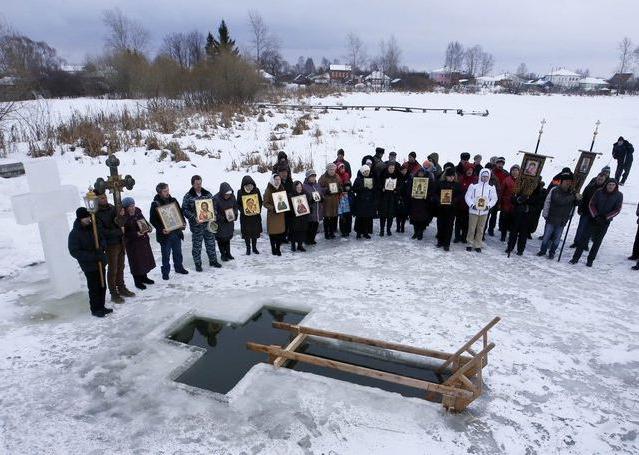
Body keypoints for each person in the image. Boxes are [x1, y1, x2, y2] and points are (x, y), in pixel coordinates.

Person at [68, 207, 112, 318]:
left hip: (100, 262)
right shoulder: (75, 233)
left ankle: (102, 306)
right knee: (94, 287)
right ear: (79, 219)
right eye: (85, 218)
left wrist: (101, 247)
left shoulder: (94, 228)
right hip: (89, 266)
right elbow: (74, 252)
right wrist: (93, 256)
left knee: (102, 285)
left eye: (88, 216)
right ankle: (95, 309)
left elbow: (102, 239)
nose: (88, 219)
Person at [570, 179, 623, 267]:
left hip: (605, 222)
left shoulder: (619, 195)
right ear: (606, 185)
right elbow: (592, 204)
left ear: (616, 186)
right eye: (609, 184)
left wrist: (606, 217)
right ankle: (575, 258)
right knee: (584, 238)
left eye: (613, 185)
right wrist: (595, 215)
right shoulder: (599, 192)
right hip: (593, 219)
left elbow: (617, 209)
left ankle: (590, 260)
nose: (611, 186)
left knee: (597, 242)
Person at [95, 192, 134, 303]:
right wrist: (118, 232)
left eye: (105, 197)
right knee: (113, 269)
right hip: (110, 245)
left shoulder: (112, 208)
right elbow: (101, 231)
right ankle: (113, 293)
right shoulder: (97, 213)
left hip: (120, 241)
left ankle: (121, 287)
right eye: (102, 198)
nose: (104, 199)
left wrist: (122, 215)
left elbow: (120, 222)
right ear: (97, 200)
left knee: (121, 267)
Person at [181, 176, 221, 273]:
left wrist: (213, 214)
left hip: (208, 225)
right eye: (197, 184)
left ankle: (213, 261)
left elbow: (214, 206)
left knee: (211, 243)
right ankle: (198, 263)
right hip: (196, 226)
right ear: (193, 184)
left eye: (200, 183)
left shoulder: (207, 194)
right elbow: (184, 210)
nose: (199, 185)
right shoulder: (188, 196)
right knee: (197, 246)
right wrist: (193, 217)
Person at [536, 173, 579, 259]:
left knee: (557, 238)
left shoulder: (572, 193)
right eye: (566, 181)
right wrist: (573, 197)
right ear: (562, 181)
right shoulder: (555, 190)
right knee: (546, 236)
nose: (568, 183)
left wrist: (577, 200)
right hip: (552, 217)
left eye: (570, 181)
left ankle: (552, 252)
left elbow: (574, 205)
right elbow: (559, 201)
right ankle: (543, 250)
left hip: (562, 219)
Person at [150, 182, 188, 280]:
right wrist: (161, 229)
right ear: (159, 193)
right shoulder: (155, 204)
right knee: (166, 255)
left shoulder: (173, 200)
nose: (167, 192)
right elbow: (152, 220)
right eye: (165, 191)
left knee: (178, 252)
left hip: (176, 232)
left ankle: (179, 268)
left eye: (168, 190)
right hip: (165, 235)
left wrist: (183, 223)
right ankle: (165, 272)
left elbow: (180, 213)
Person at [121, 197, 156, 290]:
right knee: (136, 262)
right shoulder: (123, 217)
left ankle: (144, 277)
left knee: (144, 260)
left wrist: (148, 227)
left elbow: (144, 222)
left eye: (133, 205)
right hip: (132, 243)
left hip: (143, 240)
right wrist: (135, 234)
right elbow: (124, 233)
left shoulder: (137, 212)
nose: (132, 208)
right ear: (125, 207)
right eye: (130, 206)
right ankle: (137, 281)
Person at [570, 172, 607, 251]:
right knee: (581, 227)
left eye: (602, 179)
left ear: (604, 180)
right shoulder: (589, 187)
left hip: (596, 213)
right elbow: (583, 198)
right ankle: (576, 242)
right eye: (599, 178)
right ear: (597, 178)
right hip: (586, 211)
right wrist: (580, 209)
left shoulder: (605, 190)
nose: (600, 180)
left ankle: (585, 244)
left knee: (590, 230)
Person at [465, 168, 498, 252]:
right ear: (480, 176)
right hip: (473, 211)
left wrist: (488, 206)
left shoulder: (491, 188)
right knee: (472, 228)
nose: (484, 178)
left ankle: (477, 244)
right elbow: (467, 197)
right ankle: (469, 243)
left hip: (484, 212)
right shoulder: (473, 186)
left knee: (480, 228)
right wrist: (472, 205)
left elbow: (494, 199)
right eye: (483, 176)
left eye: (486, 177)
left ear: (489, 177)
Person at [435, 167, 461, 251]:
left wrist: (454, 201)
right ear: (446, 176)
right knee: (440, 225)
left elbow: (460, 195)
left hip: (451, 209)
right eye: (450, 176)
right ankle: (440, 241)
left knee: (449, 226)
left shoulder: (457, 185)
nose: (451, 178)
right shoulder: (440, 183)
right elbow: (435, 193)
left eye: (453, 176)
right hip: (441, 208)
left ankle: (447, 244)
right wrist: (438, 200)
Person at [237, 175, 263, 256]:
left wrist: (258, 209)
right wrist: (243, 211)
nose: (250, 187)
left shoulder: (256, 190)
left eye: (251, 185)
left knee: (254, 233)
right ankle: (248, 248)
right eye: (248, 186)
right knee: (247, 234)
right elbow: (238, 204)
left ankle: (254, 248)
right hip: (245, 217)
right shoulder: (240, 192)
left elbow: (260, 201)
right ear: (244, 185)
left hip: (255, 216)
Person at [213, 182, 238, 262]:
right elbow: (214, 212)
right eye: (226, 194)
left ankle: (228, 253)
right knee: (221, 239)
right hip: (220, 222)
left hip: (229, 222)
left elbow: (235, 207)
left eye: (229, 194)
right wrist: (222, 218)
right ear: (222, 192)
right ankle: (223, 254)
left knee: (228, 238)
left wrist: (235, 214)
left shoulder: (232, 197)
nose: (228, 196)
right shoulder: (216, 198)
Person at [263, 173, 287, 256]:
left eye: (279, 180)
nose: (278, 181)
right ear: (273, 180)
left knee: (280, 233)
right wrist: (273, 208)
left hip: (280, 215)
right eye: (276, 180)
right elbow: (265, 203)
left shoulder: (282, 188)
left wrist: (285, 206)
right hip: (272, 215)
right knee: (273, 233)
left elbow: (284, 200)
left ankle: (278, 248)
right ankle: (273, 248)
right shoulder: (268, 190)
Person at [408, 167, 434, 240]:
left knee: (422, 219)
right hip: (415, 202)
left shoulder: (429, 181)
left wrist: (426, 196)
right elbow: (409, 190)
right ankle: (415, 232)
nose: (420, 174)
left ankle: (420, 232)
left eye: (422, 173)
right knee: (414, 219)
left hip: (424, 203)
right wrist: (411, 195)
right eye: (419, 173)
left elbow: (431, 191)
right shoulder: (413, 180)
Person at [454, 163, 476, 243]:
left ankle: (464, 237)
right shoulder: (461, 179)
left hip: (469, 206)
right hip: (460, 204)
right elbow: (457, 190)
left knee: (466, 223)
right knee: (458, 222)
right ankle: (457, 237)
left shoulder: (475, 180)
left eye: (471, 170)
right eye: (468, 170)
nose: (469, 171)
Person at [318, 163, 342, 239]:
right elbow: (319, 188)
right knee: (327, 218)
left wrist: (340, 190)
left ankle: (332, 232)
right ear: (327, 170)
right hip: (326, 201)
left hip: (335, 200)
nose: (332, 171)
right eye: (330, 169)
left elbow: (340, 185)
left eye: (333, 169)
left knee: (333, 217)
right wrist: (326, 190)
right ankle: (326, 233)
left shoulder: (337, 177)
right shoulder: (323, 177)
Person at [352, 165, 376, 239]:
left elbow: (374, 189)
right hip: (360, 201)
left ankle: (366, 232)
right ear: (362, 172)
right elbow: (354, 189)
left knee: (367, 218)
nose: (367, 173)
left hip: (369, 201)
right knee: (360, 218)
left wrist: (372, 189)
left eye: (368, 171)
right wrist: (362, 188)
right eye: (365, 171)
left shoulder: (371, 179)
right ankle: (358, 233)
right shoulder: (358, 179)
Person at [488, 157, 510, 237]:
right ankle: (483, 228)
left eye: (502, 163)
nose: (500, 165)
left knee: (494, 215)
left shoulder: (506, 173)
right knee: (486, 214)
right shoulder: (491, 171)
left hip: (499, 197)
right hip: (489, 196)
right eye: (499, 163)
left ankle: (491, 229)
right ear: (496, 163)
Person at [378, 162, 400, 236]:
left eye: (393, 168)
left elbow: (399, 186)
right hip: (383, 197)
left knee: (390, 215)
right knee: (383, 215)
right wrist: (382, 188)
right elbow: (379, 184)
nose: (391, 169)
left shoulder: (396, 176)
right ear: (387, 168)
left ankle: (388, 229)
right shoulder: (383, 175)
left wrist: (396, 189)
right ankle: (382, 230)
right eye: (390, 168)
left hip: (392, 198)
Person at [499, 165, 520, 242]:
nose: (515, 172)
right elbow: (501, 192)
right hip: (506, 203)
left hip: (516, 205)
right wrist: (501, 202)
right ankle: (503, 235)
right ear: (511, 171)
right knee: (505, 221)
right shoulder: (506, 180)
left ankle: (511, 236)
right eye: (513, 170)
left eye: (516, 170)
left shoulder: (520, 181)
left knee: (513, 222)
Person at [303, 169, 323, 245]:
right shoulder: (304, 186)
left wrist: (321, 198)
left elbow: (320, 193)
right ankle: (307, 239)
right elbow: (302, 198)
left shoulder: (317, 185)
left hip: (318, 208)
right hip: (310, 209)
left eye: (314, 176)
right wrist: (310, 201)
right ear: (308, 177)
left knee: (315, 224)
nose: (313, 178)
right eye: (311, 176)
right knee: (310, 225)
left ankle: (312, 239)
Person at [289, 181, 310, 252]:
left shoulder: (304, 195)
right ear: (294, 188)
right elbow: (289, 208)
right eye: (297, 187)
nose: (299, 189)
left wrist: (309, 209)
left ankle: (300, 245)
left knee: (302, 231)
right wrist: (293, 211)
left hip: (303, 217)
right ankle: (293, 245)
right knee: (294, 231)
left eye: (300, 187)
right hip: (294, 218)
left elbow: (307, 205)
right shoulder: (291, 195)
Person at [395, 164, 410, 233]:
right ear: (400, 171)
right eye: (403, 170)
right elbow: (395, 186)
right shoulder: (397, 177)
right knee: (398, 213)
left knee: (404, 214)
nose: (404, 171)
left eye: (405, 170)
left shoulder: (409, 177)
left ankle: (402, 227)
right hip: (398, 197)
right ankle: (398, 227)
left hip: (406, 198)